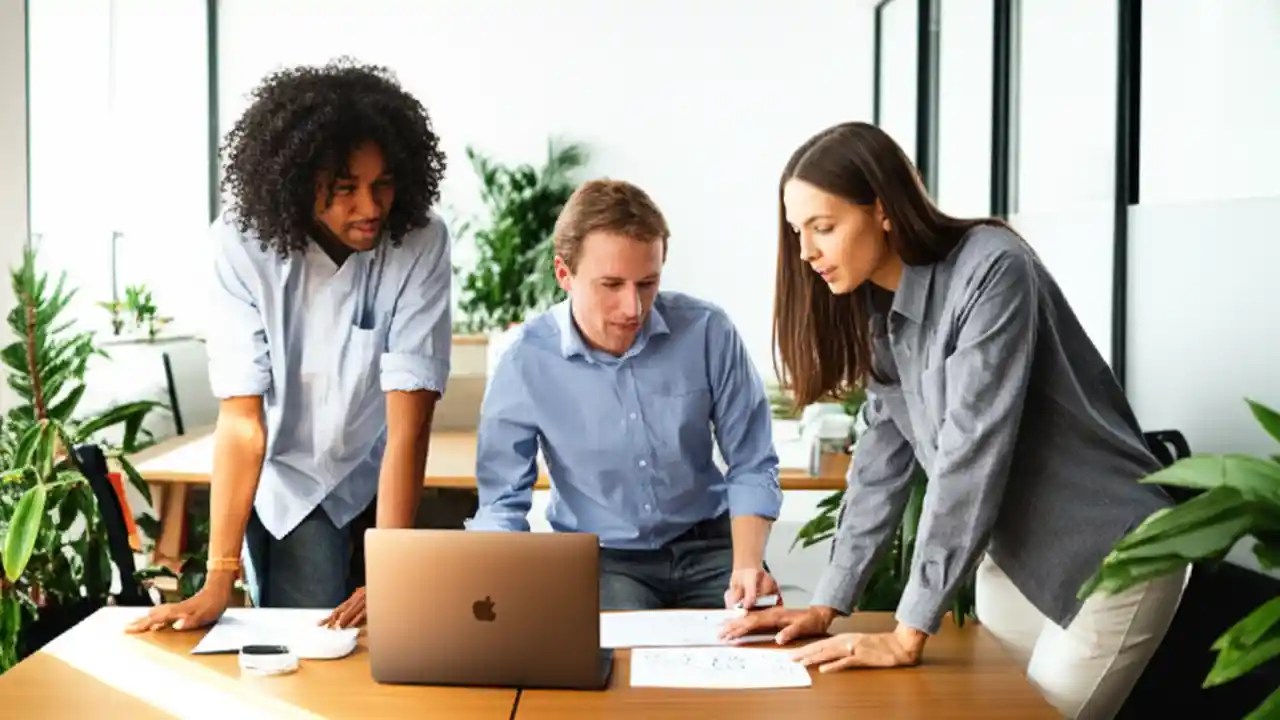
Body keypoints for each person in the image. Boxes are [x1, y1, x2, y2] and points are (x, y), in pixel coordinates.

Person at [720, 122, 1186, 719]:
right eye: (797, 232)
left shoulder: (992, 268)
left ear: (882, 210)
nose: (806, 251)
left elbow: (971, 455)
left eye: (823, 227)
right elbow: (880, 466)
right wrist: (827, 603)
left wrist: (907, 633)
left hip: (1113, 556)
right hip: (1018, 562)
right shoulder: (880, 311)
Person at [127, 59, 451, 633]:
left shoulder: (419, 240)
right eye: (345, 189)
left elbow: (411, 421)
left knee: (395, 628)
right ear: (300, 182)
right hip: (287, 477)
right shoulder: (241, 245)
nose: (371, 207)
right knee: (310, 641)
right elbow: (242, 421)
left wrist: (391, 569)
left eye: (382, 184)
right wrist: (217, 581)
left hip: (377, 462)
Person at [467, 179, 783, 611]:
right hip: (604, 561)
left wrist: (747, 565)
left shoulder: (707, 331)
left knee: (761, 643)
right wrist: (493, 583)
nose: (633, 308)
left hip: (713, 547)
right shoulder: (525, 360)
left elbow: (752, 461)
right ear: (564, 274)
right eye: (611, 284)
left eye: (647, 283)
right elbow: (502, 500)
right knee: (615, 652)